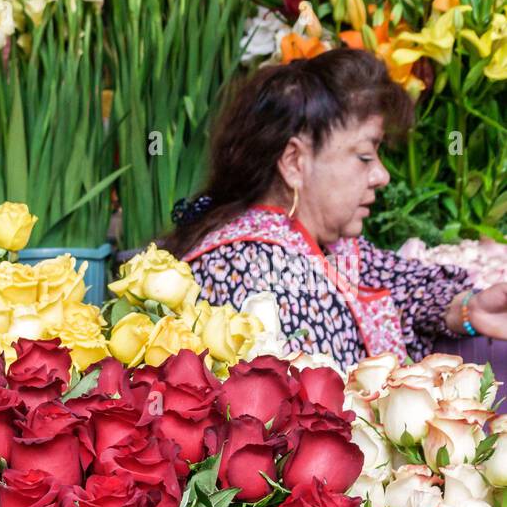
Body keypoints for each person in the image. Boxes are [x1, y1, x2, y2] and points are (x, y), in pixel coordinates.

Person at [164, 48, 507, 366]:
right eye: (363, 156)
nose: (381, 175)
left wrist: (468, 309)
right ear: (295, 162)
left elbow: (402, 285)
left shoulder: (324, 247)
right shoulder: (255, 272)